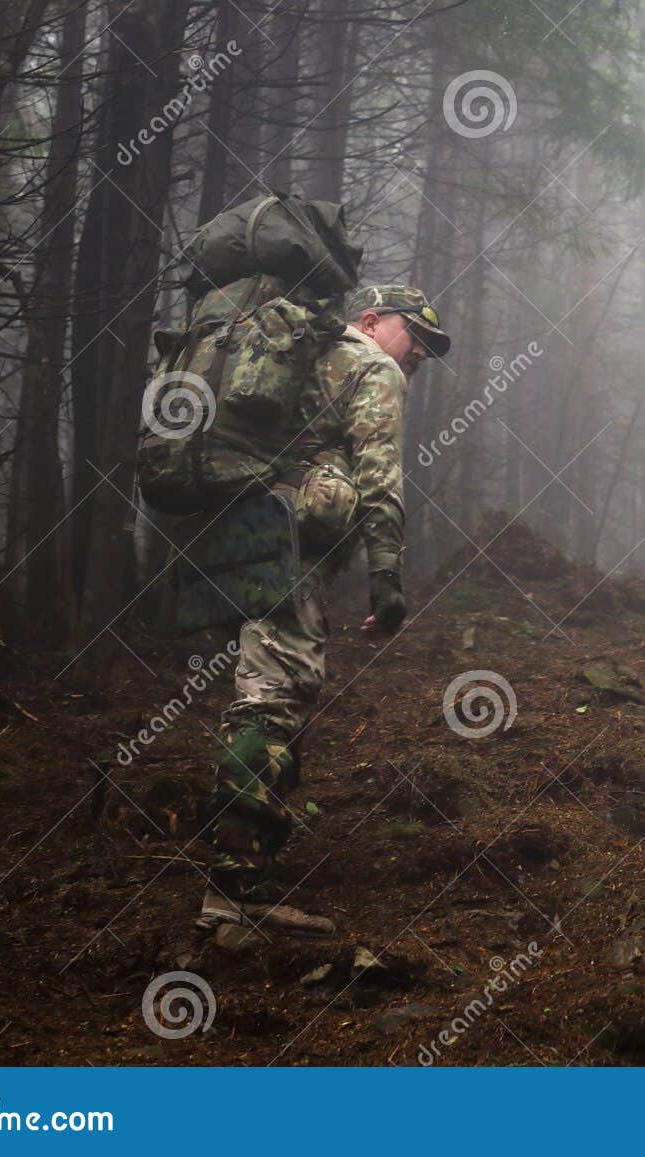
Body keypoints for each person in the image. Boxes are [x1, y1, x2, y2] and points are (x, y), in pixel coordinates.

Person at [196, 285, 450, 937]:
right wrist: (387, 575)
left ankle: (242, 880)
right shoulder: (372, 366)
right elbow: (379, 475)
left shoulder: (302, 358)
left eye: (427, 343)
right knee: (273, 701)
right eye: (412, 332)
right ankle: (235, 894)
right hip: (287, 550)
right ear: (370, 319)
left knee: (270, 691)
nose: (418, 349)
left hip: (243, 538)